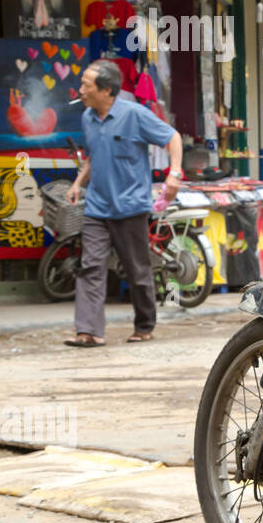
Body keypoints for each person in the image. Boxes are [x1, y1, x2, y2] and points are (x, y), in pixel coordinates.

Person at [65, 60, 184, 348]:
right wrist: (78, 183)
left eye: (86, 85)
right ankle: (89, 331)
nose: (81, 90)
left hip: (131, 206)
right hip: (96, 207)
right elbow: (94, 156)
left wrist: (175, 173)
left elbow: (173, 137)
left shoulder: (134, 114)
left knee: (137, 270)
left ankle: (144, 325)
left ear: (107, 90)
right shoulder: (87, 117)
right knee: (90, 266)